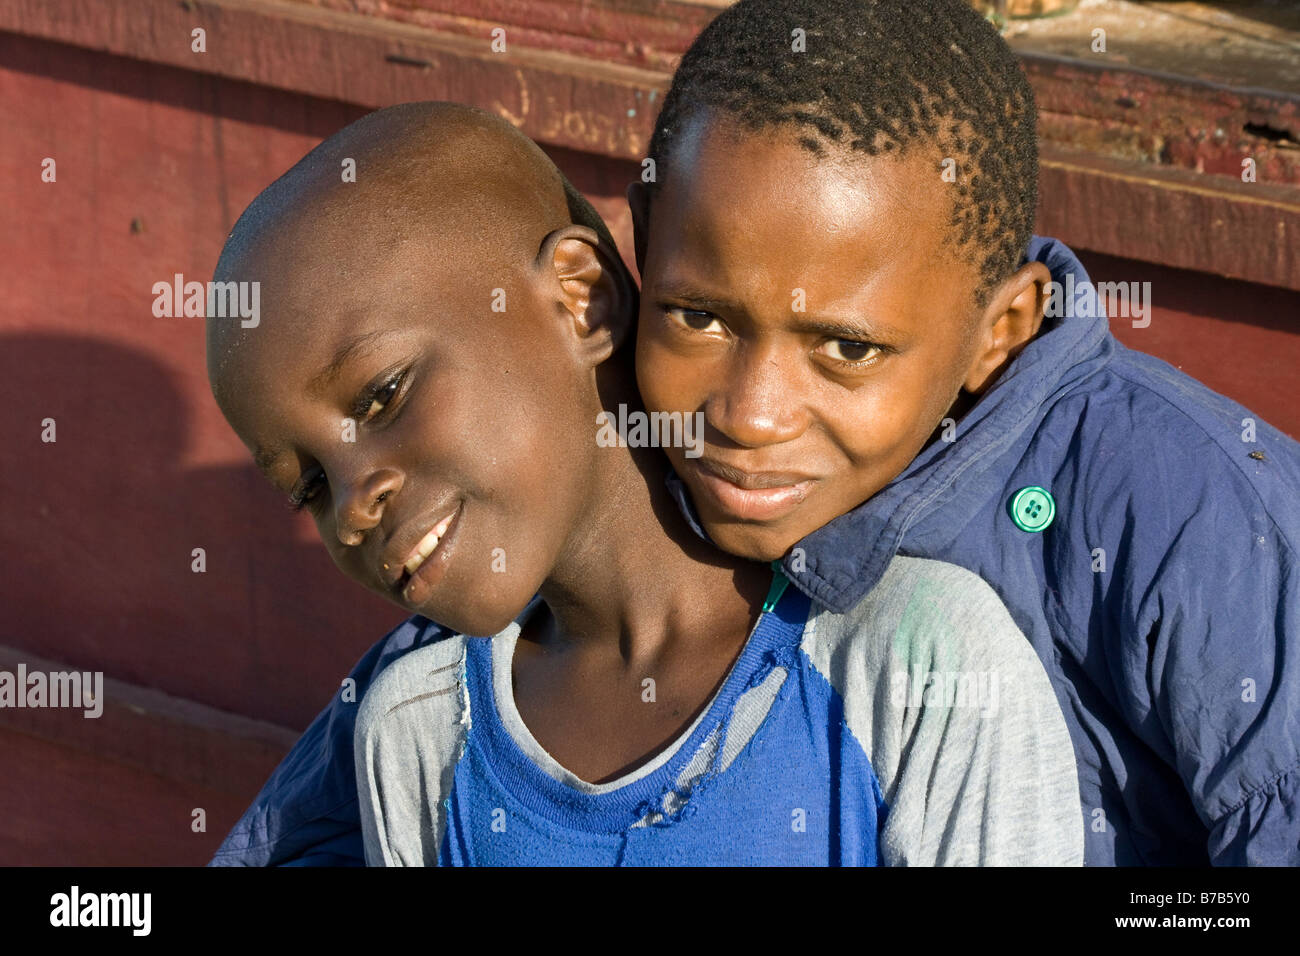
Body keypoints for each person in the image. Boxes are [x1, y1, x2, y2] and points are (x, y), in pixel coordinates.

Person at [206, 101, 1082, 865]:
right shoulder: (416, 734)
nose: (355, 501)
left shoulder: (916, 664)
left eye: (384, 395)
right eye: (308, 485)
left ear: (580, 298)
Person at [627, 0, 1300, 865]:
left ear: (1001, 329)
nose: (749, 416)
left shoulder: (1190, 520)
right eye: (698, 316)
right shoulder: (627, 448)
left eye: (847, 347)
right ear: (645, 249)